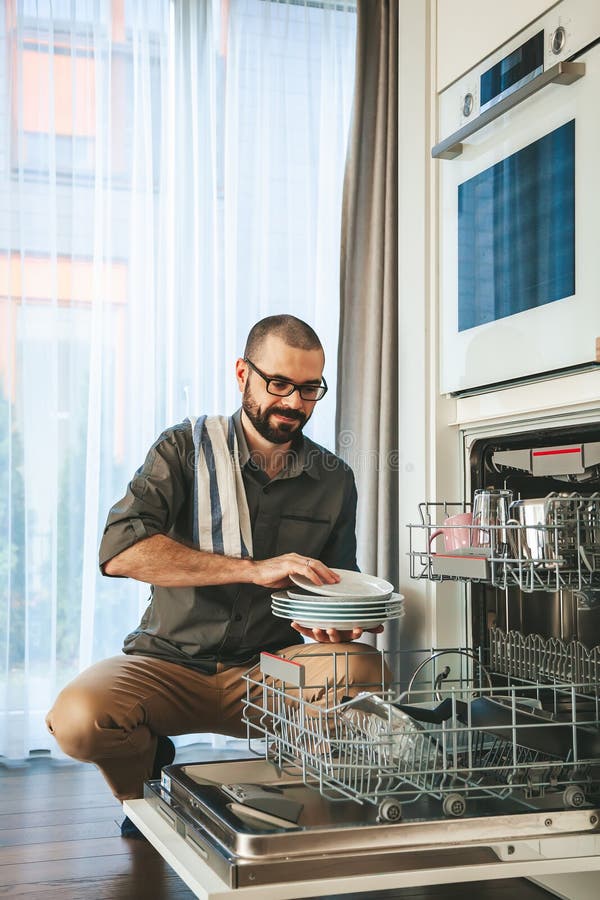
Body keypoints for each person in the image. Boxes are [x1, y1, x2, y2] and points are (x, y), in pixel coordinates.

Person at [45, 315, 385, 837]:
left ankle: (297, 787)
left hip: (270, 669)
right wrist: (252, 571)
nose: (295, 403)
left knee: (363, 669)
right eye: (279, 384)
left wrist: (340, 622)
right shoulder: (182, 449)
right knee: (77, 719)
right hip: (169, 663)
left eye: (310, 389)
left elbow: (340, 578)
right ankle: (147, 783)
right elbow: (120, 552)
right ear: (241, 373)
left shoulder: (335, 478)